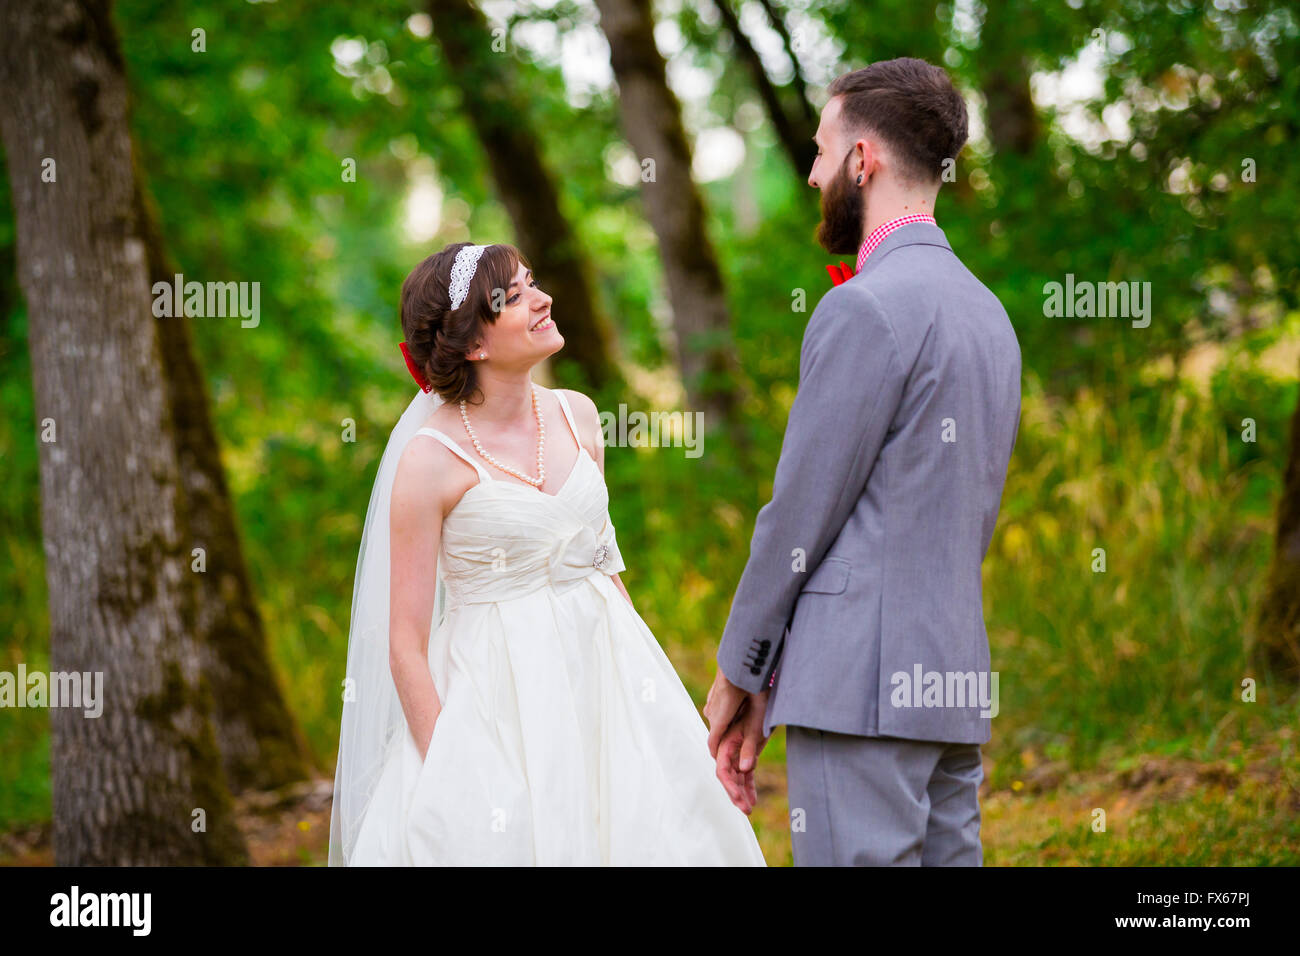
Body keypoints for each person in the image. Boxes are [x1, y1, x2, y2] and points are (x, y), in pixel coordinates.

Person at [329, 241, 765, 866]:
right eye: (514, 297)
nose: (543, 299)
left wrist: (644, 689)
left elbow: (605, 567)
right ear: (473, 343)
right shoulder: (428, 461)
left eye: (534, 282)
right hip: (499, 697)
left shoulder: (580, 417)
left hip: (608, 672)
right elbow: (404, 645)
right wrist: (452, 766)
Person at [706, 57, 1022, 866]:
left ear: (862, 159)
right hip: (951, 684)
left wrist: (742, 667)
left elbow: (800, 515)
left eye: (819, 151)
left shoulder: (863, 307)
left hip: (860, 694)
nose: (812, 173)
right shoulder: (989, 316)